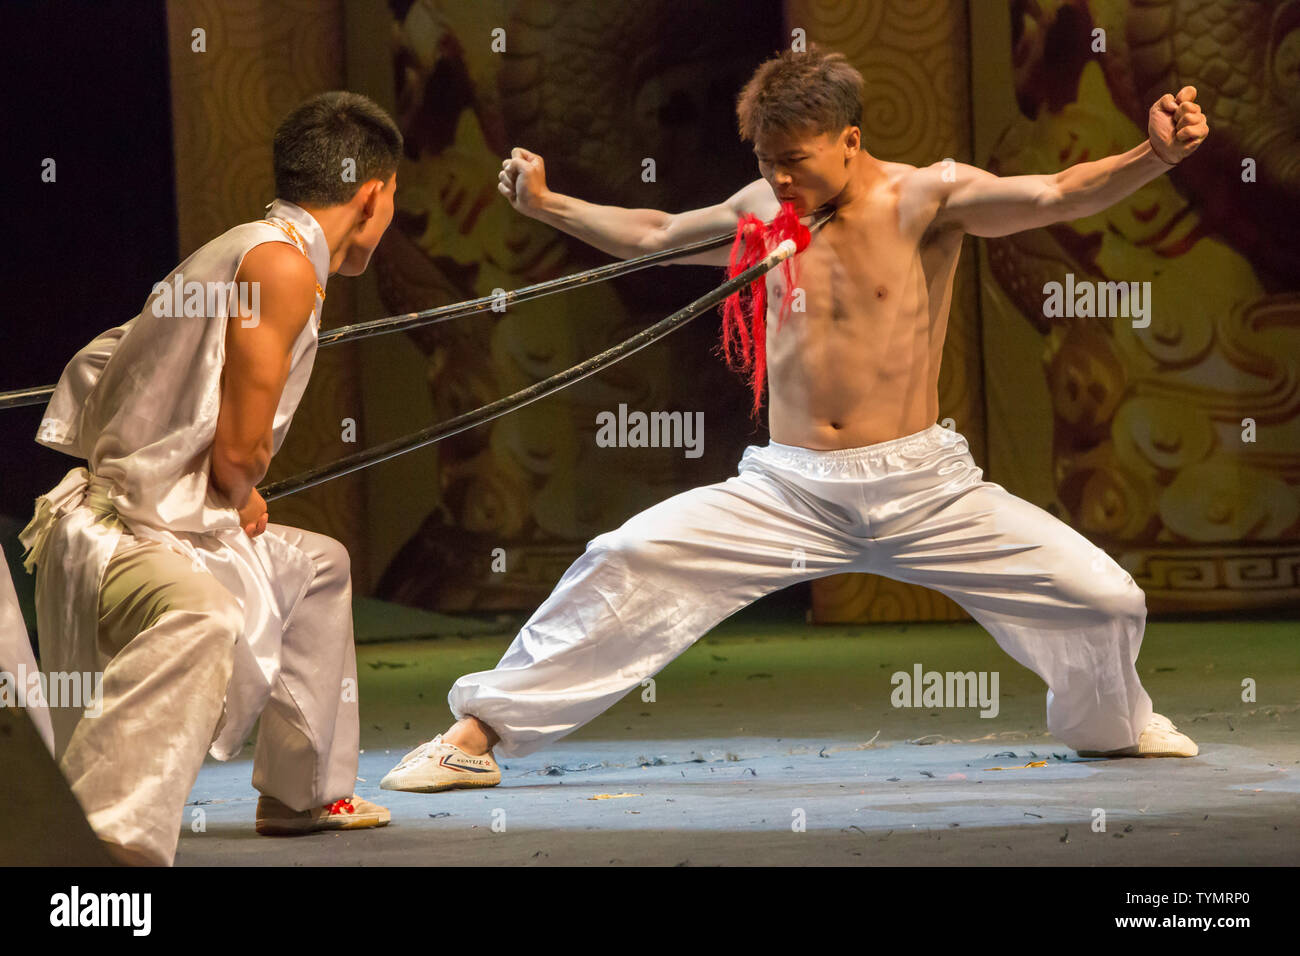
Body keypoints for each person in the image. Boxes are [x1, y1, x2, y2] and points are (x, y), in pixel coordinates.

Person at [381, 46, 1209, 794]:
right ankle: (475, 735)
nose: (780, 181)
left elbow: (1056, 191)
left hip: (923, 486)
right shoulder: (761, 209)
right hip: (791, 486)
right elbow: (657, 234)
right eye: (767, 163)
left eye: (796, 163)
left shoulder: (930, 196)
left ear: (849, 140)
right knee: (625, 556)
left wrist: (1155, 154)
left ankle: (1114, 727)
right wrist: (548, 203)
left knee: (1101, 597)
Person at [20, 91, 401, 865]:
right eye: (394, 198)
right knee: (204, 619)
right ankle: (101, 840)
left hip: (157, 514)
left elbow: (101, 363)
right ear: (372, 194)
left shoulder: (243, 248)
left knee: (319, 565)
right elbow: (237, 450)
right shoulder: (283, 267)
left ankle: (304, 794)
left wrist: (215, 482)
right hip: (123, 542)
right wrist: (235, 479)